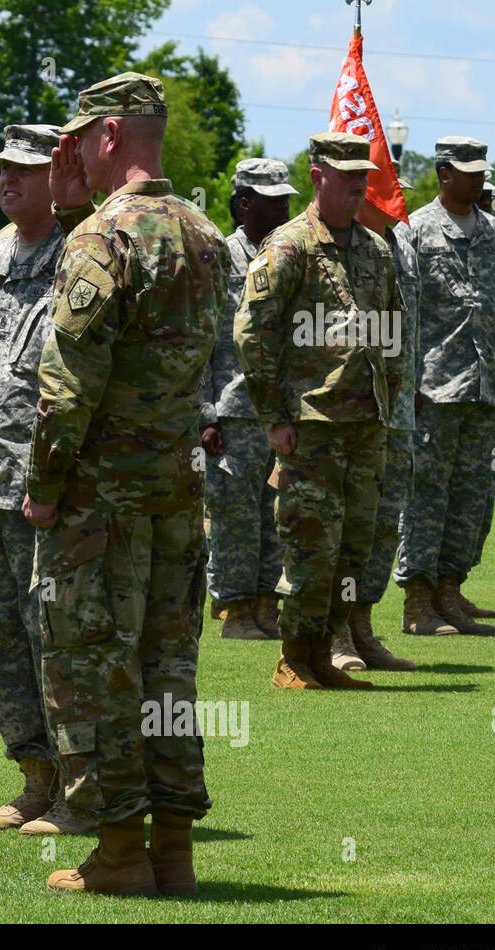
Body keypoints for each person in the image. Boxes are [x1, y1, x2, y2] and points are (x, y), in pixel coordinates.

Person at [23, 73, 228, 895]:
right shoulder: (205, 233)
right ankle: (170, 849)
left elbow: (67, 385)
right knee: (168, 667)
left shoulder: (103, 238)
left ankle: (116, 851)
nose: (65, 153)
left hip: (100, 504)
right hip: (176, 494)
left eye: (77, 139)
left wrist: (43, 483)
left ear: (110, 135)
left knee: (94, 666)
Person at [0, 123, 92, 837]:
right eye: (3, 169)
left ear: (56, 179)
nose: (9, 180)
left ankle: (79, 788)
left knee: (56, 639)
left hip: (48, 492)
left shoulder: (79, 257)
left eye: (25, 171)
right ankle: (33, 777)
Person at [234, 132, 406, 692]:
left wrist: (390, 398)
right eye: (347, 176)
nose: (359, 186)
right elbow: (252, 333)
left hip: (365, 427)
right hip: (310, 428)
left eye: (364, 177)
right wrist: (273, 418)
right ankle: (293, 658)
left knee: (354, 549)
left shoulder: (376, 250)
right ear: (317, 177)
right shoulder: (289, 247)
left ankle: (328, 653)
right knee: (311, 546)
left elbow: (394, 331)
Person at [394, 137, 495, 636]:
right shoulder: (416, 231)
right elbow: (401, 313)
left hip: (485, 389)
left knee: (473, 496)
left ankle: (450, 589)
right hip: (434, 390)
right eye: (467, 171)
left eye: (481, 171)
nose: (478, 179)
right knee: (426, 496)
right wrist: (407, 387)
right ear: (443, 173)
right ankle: (417, 602)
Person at [200, 158, 295, 641]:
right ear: (244, 204)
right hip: (233, 411)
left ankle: (265, 605)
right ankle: (235, 611)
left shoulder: (292, 256)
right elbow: (199, 340)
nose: (283, 209)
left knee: (278, 514)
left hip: (284, 409)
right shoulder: (217, 255)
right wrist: (205, 413)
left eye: (286, 200)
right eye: (273, 201)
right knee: (234, 516)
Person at [343, 196, 419, 672]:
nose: (394, 202)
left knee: (383, 522)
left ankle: (362, 625)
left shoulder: (402, 247)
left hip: (397, 406)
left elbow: (409, 325)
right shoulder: (324, 249)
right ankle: (330, 632)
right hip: (343, 411)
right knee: (340, 525)